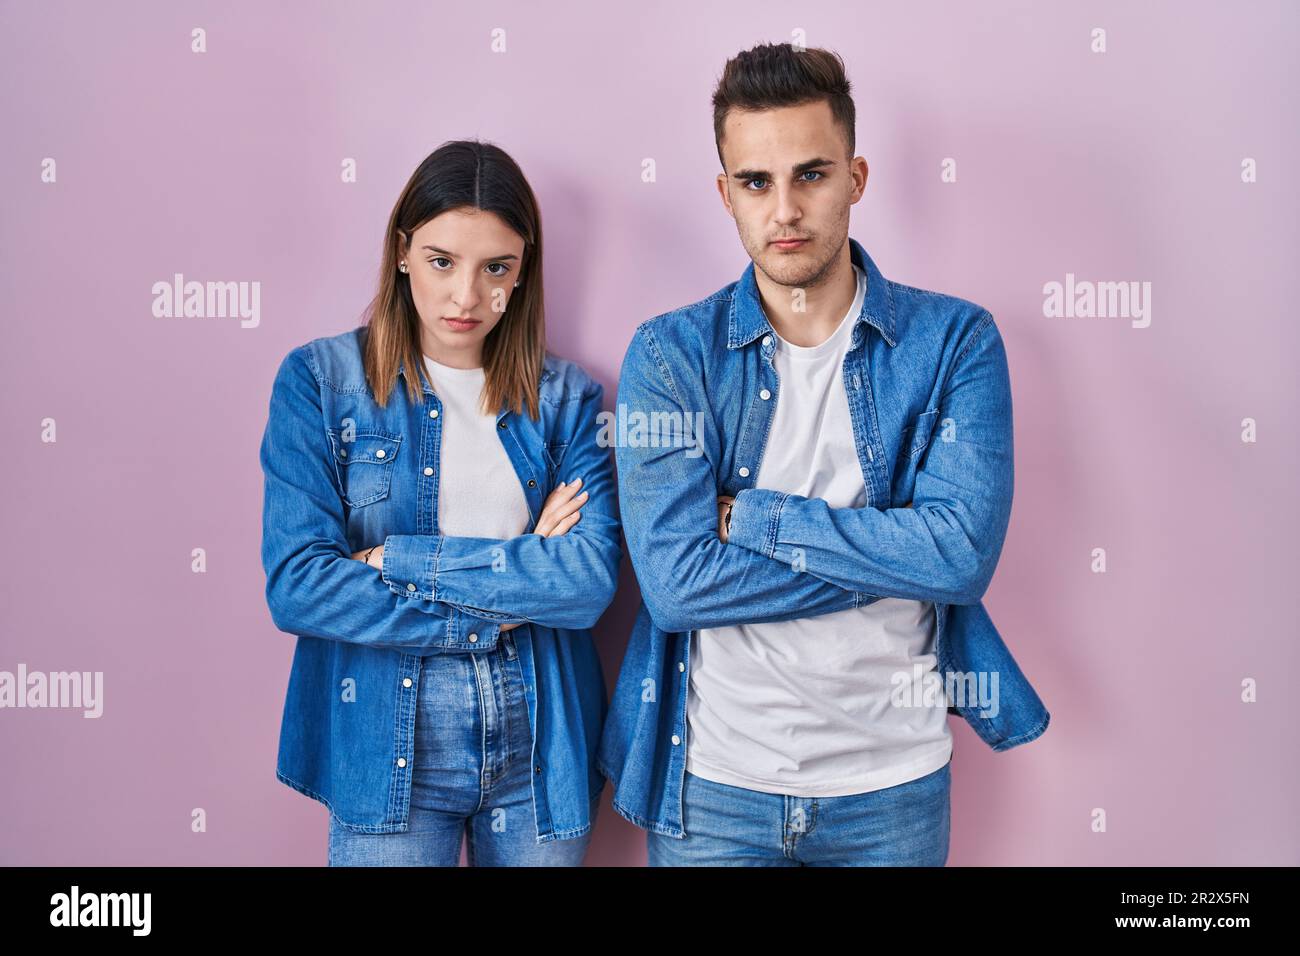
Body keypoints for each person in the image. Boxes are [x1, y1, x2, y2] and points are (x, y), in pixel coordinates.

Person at [597, 42, 1049, 866]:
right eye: (756, 182)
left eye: (811, 174)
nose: (784, 212)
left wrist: (760, 520)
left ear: (856, 178)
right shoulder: (669, 356)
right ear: (725, 192)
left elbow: (959, 560)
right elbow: (675, 586)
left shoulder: (954, 342)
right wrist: (895, 547)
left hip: (892, 788)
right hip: (715, 787)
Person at [259, 140, 620, 866]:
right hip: (384, 740)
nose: (466, 297)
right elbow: (299, 585)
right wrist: (518, 582)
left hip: (538, 741)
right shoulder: (320, 383)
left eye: (497, 268)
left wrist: (395, 558)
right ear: (401, 252)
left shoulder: (565, 400)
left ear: (523, 271)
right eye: (442, 261)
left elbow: (585, 586)